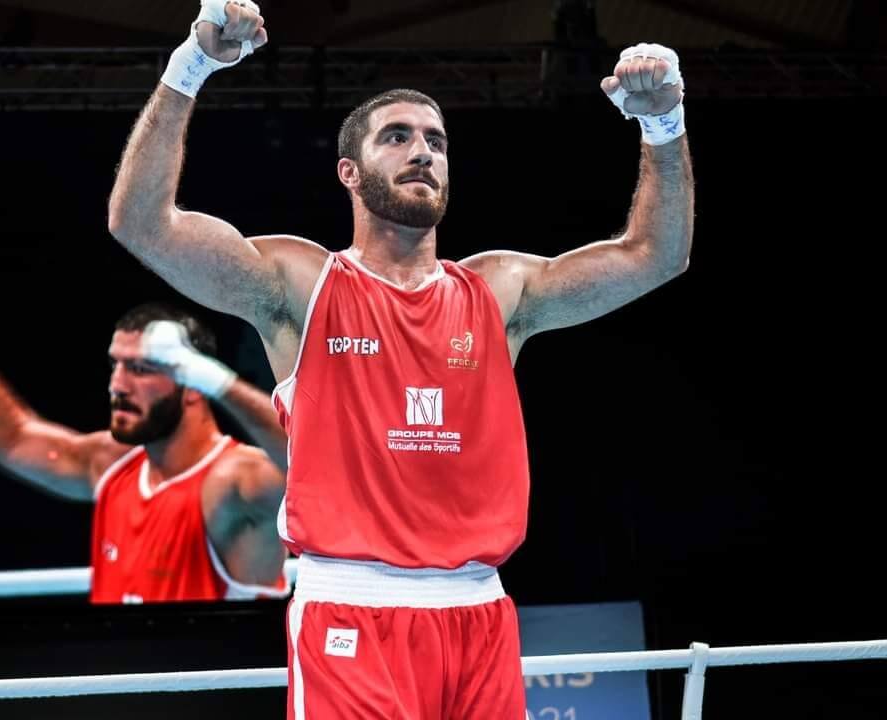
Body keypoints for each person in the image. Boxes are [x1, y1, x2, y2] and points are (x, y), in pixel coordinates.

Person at [107, 1, 693, 715]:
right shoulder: (301, 284)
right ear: (349, 172)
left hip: (480, 612)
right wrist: (190, 65)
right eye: (398, 137)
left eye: (436, 141)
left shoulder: (500, 292)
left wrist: (664, 124)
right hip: (352, 609)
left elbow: (655, 257)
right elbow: (140, 224)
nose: (423, 151)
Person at [0, 272, 291, 603]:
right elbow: (13, 437)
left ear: (191, 384)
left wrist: (217, 380)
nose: (117, 385)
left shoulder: (238, 479)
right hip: (118, 684)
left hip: (209, 689)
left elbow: (312, 468)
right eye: (115, 365)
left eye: (141, 368)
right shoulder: (113, 463)